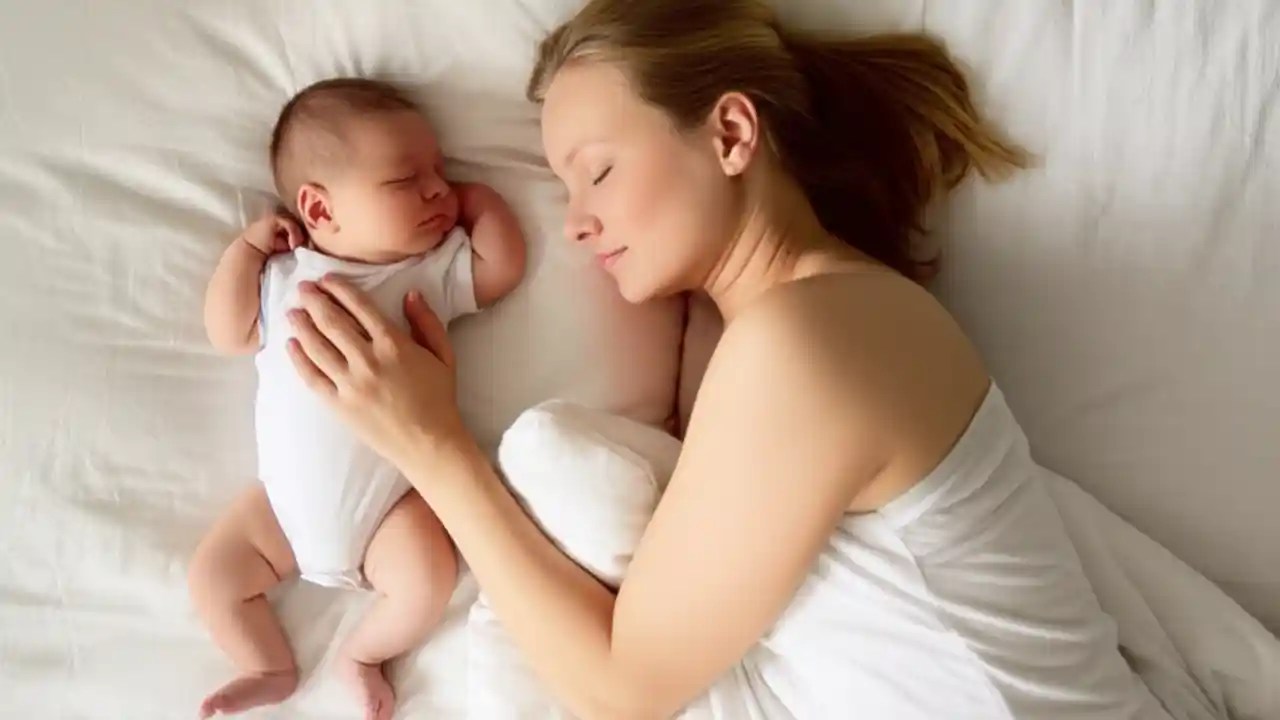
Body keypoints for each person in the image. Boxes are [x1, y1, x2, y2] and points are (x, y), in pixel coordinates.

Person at [283, 1, 1170, 717]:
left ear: (733, 134)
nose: (574, 221)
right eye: (562, 188)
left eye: (597, 171)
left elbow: (621, 689)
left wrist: (430, 445)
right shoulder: (783, 329)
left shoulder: (812, 338)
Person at [189, 78, 525, 720]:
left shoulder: (426, 271)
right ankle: (268, 665)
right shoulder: (282, 278)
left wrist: (483, 204)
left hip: (387, 512)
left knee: (429, 576)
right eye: (407, 180)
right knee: (215, 576)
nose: (438, 190)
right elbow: (226, 332)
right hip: (279, 513)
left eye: (442, 172)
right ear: (318, 210)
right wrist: (246, 251)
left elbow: (500, 270)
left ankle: (364, 654)